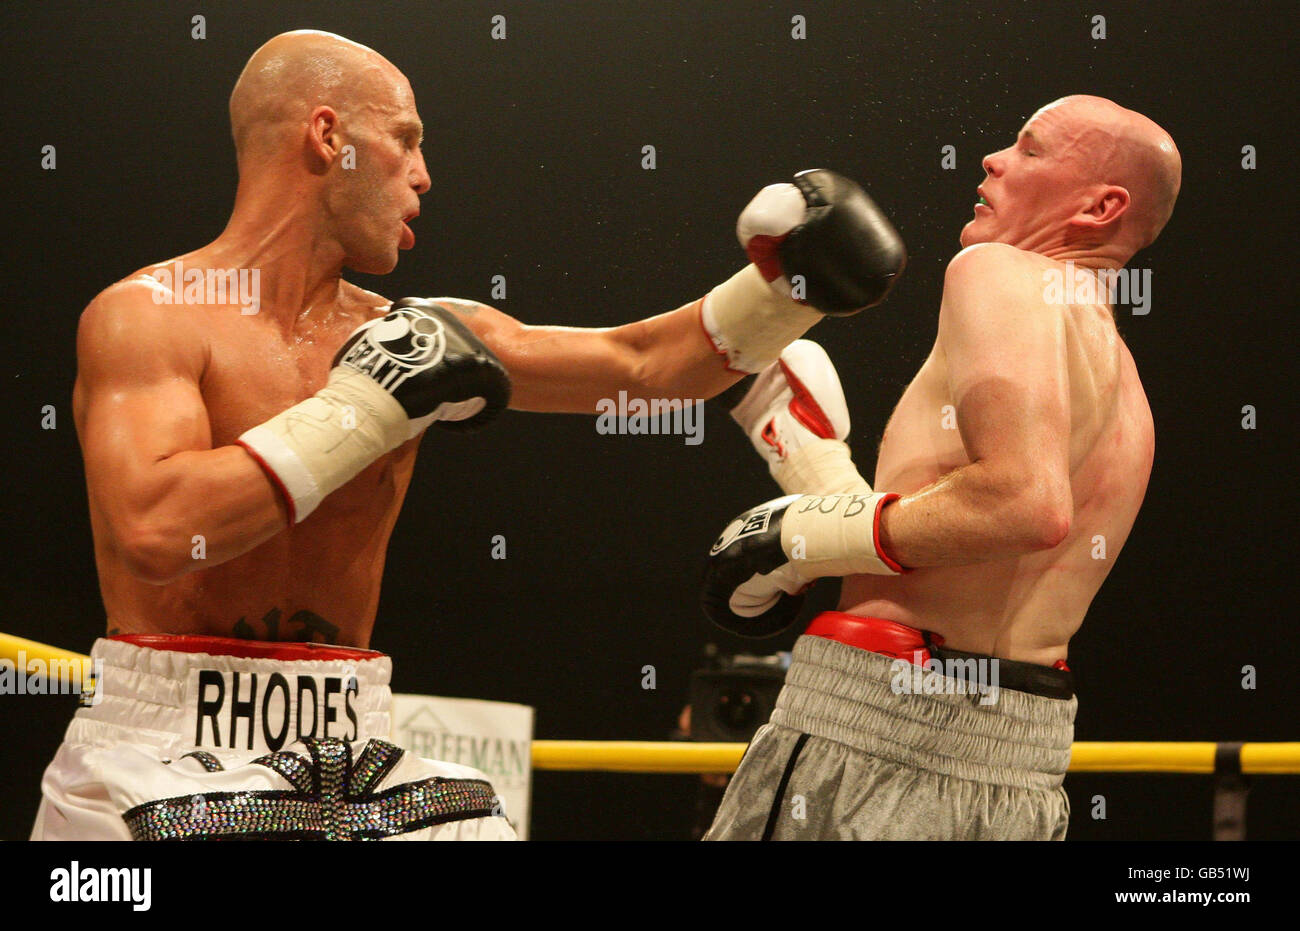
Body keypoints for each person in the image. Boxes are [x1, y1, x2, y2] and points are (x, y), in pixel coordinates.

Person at [31, 30, 904, 840]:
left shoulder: (420, 329)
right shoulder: (151, 316)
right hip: (152, 743)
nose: (425, 175)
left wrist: (789, 283)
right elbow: (155, 528)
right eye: (406, 139)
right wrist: (365, 407)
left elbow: (641, 363)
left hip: (346, 741)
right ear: (327, 136)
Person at [703, 95, 1180, 840]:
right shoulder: (1131, 399)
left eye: (1030, 149)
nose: (993, 159)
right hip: (1021, 766)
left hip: (878, 725)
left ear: (1100, 205)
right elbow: (969, 566)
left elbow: (1023, 503)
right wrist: (817, 474)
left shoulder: (996, 271)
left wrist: (799, 535)